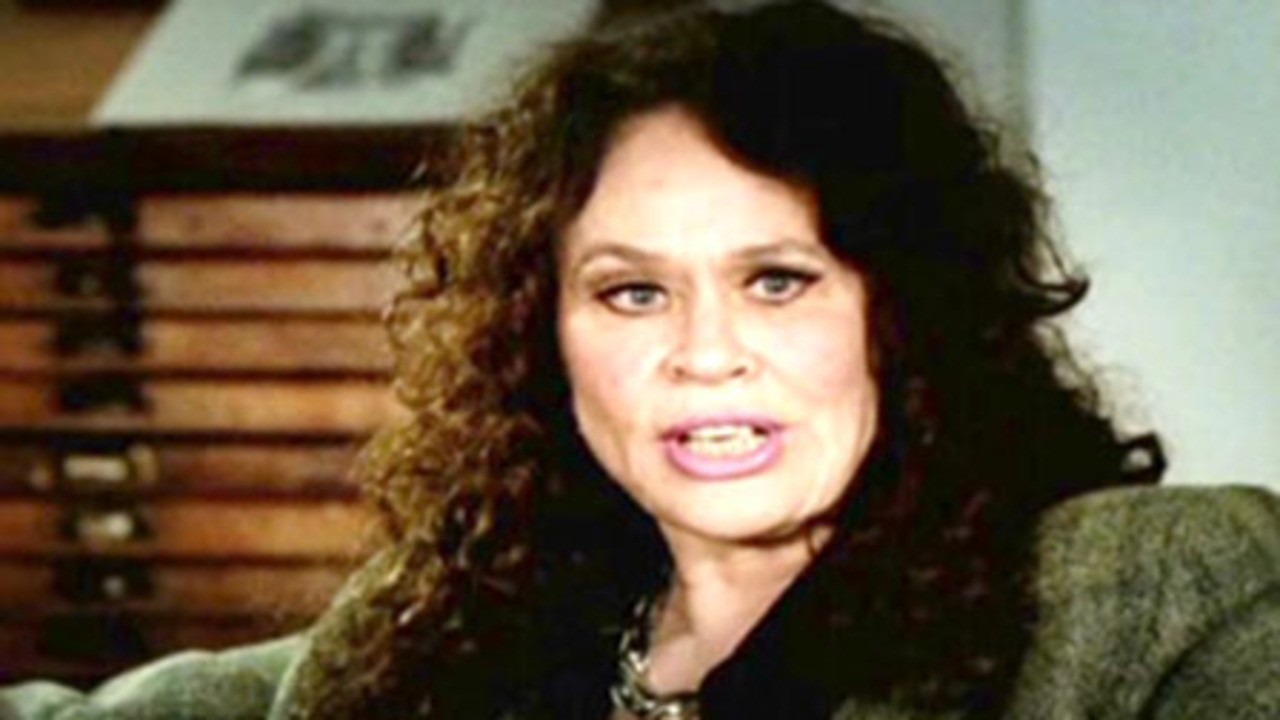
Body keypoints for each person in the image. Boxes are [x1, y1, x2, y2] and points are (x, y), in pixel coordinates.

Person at [3, 2, 1279, 718]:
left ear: (907, 312)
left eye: (775, 279)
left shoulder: (1145, 597)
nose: (702, 353)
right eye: (631, 292)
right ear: (544, 337)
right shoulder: (446, 632)